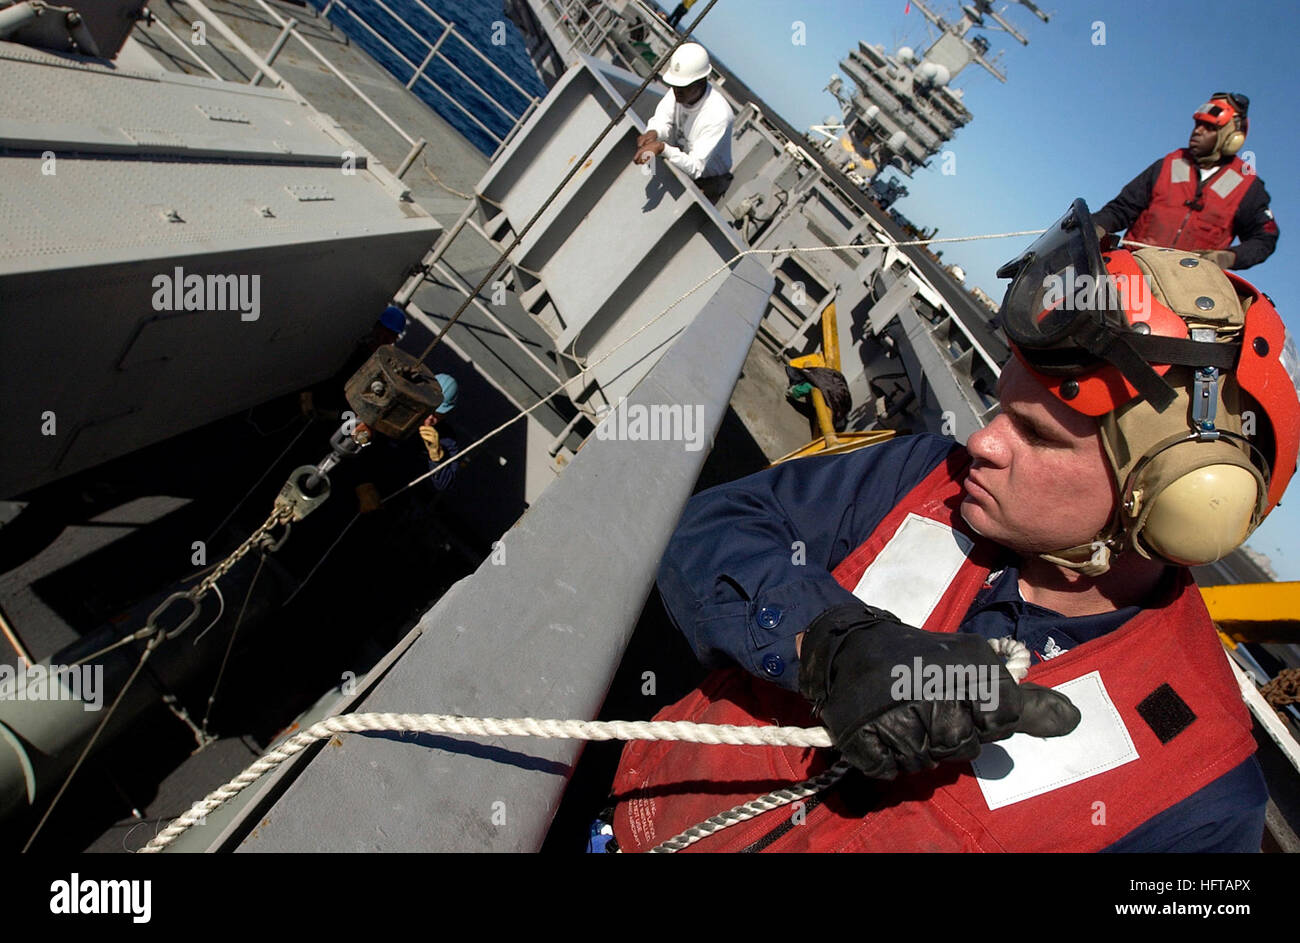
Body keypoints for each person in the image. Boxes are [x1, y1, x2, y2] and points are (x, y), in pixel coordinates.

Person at [607, 200, 1300, 853]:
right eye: (1001, 407)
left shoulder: (1202, 797)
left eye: (1035, 433)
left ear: (1174, 502)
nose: (987, 442)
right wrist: (825, 643)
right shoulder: (923, 474)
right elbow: (709, 527)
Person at [1094, 92, 1278, 270]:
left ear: (1231, 139)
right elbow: (1121, 209)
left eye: (1209, 128)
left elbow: (1264, 239)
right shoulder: (1168, 164)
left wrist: (1227, 257)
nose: (1197, 131)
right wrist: (1097, 227)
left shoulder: (1247, 186)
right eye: (1198, 124)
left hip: (1188, 286)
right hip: (1132, 269)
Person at [633, 43, 734, 204]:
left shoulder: (718, 115)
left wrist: (662, 148)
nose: (676, 92)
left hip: (706, 181)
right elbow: (663, 119)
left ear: (700, 83)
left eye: (683, 88)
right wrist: (654, 132)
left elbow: (696, 167)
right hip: (681, 157)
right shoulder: (679, 91)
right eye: (674, 86)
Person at [418, 372, 461, 492]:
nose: (430, 418)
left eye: (438, 414)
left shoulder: (447, 439)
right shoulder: (402, 410)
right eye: (429, 409)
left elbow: (445, 484)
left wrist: (437, 457)